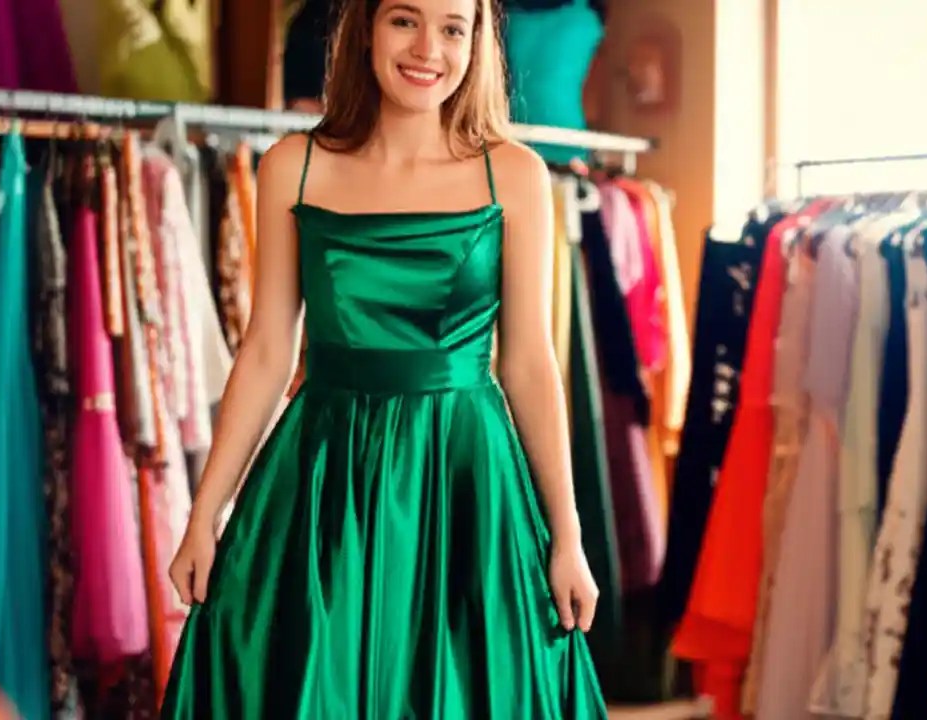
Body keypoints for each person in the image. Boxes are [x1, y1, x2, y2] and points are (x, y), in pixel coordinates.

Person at [162, 0, 606, 716]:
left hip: (466, 477)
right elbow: (269, 349)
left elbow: (528, 364)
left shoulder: (514, 174)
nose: (427, 47)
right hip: (325, 473)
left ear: (476, 44)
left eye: (453, 28)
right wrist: (204, 514)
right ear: (365, 29)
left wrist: (568, 535)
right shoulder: (291, 165)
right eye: (405, 19)